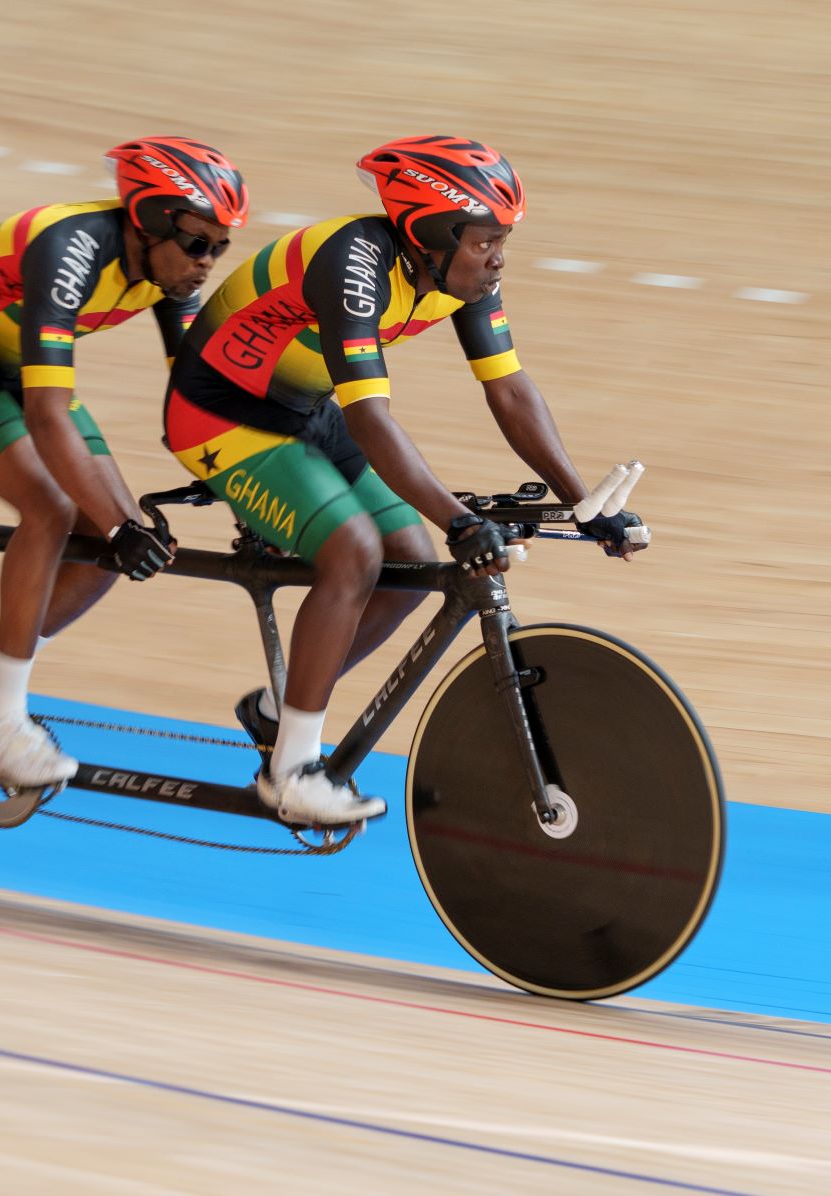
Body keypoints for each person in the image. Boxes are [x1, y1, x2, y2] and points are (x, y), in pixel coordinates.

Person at [164, 134, 643, 826]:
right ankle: (291, 772)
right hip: (217, 412)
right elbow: (370, 421)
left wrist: (582, 502)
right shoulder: (351, 262)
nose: (497, 256)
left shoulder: (461, 275)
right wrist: (460, 520)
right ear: (429, 235)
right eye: (484, 241)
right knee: (354, 554)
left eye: (501, 239)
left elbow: (507, 391)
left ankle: (274, 710)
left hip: (299, 410)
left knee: (410, 562)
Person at [0, 136, 249, 787]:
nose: (207, 263)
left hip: (16, 369)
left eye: (221, 248)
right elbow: (50, 417)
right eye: (197, 243)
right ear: (148, 221)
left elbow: (198, 399)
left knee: (121, 534)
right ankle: (0, 723)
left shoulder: (168, 272)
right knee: (55, 508)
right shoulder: (70, 249)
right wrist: (114, 523)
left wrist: (244, 500)